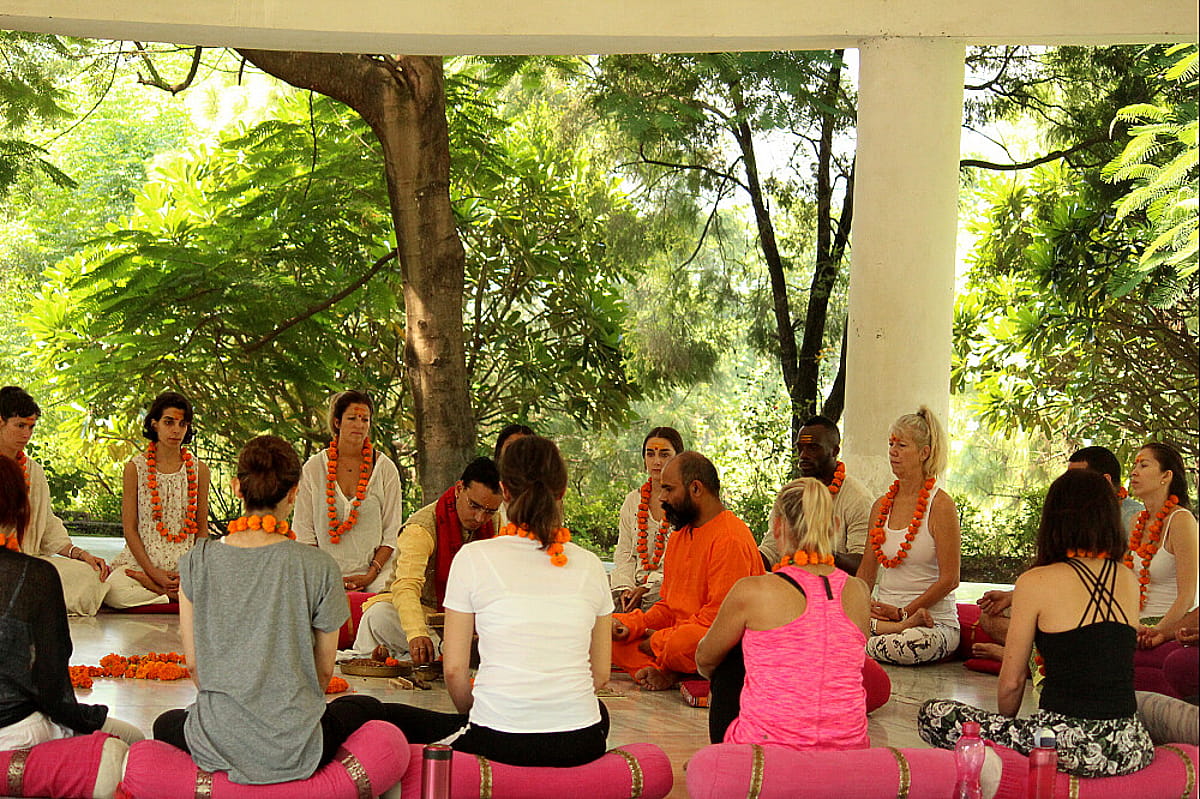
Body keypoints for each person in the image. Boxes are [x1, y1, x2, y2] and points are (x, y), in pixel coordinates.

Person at [152, 436, 386, 784]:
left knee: (165, 724)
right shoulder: (319, 566)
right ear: (293, 493)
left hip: (217, 741)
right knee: (367, 710)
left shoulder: (196, 561)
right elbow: (323, 674)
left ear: (236, 487)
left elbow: (194, 665)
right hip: (296, 747)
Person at [375, 435, 613, 767]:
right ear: (563, 491)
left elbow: (455, 671)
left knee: (376, 715)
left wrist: (481, 715)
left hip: (499, 739)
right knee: (598, 713)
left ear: (505, 491)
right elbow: (600, 676)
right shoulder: (590, 564)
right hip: (581, 740)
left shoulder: (475, 558)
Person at [918, 469, 1154, 778]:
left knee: (933, 714)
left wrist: (1006, 730)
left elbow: (1012, 682)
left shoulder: (1035, 582)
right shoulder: (1126, 578)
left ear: (1055, 519)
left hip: (1067, 745)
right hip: (1130, 745)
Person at [697, 477, 872, 750]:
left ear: (777, 527)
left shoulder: (752, 591)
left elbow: (704, 659)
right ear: (836, 528)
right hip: (849, 752)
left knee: (729, 658)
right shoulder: (859, 592)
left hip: (764, 756)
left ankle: (724, 759)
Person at [0, 455, 144, 749]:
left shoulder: (34, 470)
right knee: (133, 739)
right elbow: (52, 684)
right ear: (18, 507)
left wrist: (79, 554)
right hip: (15, 729)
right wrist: (88, 717)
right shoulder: (35, 575)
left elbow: (52, 534)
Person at [612, 451, 765, 691]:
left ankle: (672, 668)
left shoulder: (729, 538)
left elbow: (719, 622)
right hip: (677, 635)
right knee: (608, 630)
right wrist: (635, 625)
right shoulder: (680, 535)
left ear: (695, 489)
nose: (661, 497)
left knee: (682, 643)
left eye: (669, 489)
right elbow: (668, 605)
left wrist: (658, 640)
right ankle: (671, 670)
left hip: (717, 642)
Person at [974, 445, 1136, 659]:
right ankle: (1030, 656)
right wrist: (1016, 596)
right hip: (1066, 597)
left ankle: (1020, 657)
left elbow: (1104, 580)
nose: (1069, 485)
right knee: (989, 617)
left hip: (1101, 607)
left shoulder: (1133, 519)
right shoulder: (1078, 516)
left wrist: (1028, 595)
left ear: (1105, 481)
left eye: (1076, 477)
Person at [354, 457, 502, 664]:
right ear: (459, 489)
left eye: (489, 511)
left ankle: (446, 651)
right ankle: (444, 651)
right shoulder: (421, 529)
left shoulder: (495, 521)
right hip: (418, 613)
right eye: (474, 506)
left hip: (463, 617)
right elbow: (406, 587)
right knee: (378, 615)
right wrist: (416, 633)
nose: (480, 518)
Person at [856, 406, 961, 665]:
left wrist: (904, 613)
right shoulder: (881, 506)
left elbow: (950, 579)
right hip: (881, 621)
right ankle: (870, 637)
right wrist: (855, 607)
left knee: (912, 643)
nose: (892, 451)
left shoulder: (941, 505)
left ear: (924, 453)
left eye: (902, 445)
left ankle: (860, 645)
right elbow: (866, 574)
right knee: (829, 624)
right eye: (891, 443)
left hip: (930, 625)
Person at [0, 386, 110, 616]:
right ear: (1, 422)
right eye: (20, 425)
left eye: (31, 427)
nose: (26, 434)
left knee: (86, 576)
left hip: (25, 561)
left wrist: (81, 554)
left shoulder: (33, 471)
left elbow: (48, 524)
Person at [104, 392, 212, 609]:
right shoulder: (136, 468)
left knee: (222, 587)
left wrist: (191, 569)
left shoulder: (199, 469)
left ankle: (164, 593)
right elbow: (130, 528)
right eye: (168, 422)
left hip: (185, 566)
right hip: (143, 564)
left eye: (182, 424)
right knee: (114, 591)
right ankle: (169, 595)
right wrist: (153, 574)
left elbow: (201, 528)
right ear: (154, 424)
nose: (176, 430)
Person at [292, 391, 402, 592]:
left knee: (386, 607)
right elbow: (304, 534)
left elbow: (392, 533)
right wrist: (329, 579)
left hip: (377, 575)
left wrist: (370, 575)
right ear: (337, 422)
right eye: (352, 418)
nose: (359, 425)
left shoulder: (385, 469)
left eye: (365, 419)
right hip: (322, 576)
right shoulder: (313, 469)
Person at [759, 416, 873, 575]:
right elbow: (771, 550)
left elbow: (861, 562)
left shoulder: (857, 498)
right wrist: (746, 556)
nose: (803, 455)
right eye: (800, 447)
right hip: (790, 590)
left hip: (838, 593)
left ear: (835, 451)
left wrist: (816, 554)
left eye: (813, 448)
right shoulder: (792, 494)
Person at [1127, 442, 1198, 696]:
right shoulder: (1137, 521)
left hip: (1166, 627)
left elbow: (1187, 595)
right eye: (1134, 465)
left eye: (1144, 465)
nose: (1134, 471)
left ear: (1166, 476)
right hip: (1135, 626)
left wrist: (1160, 631)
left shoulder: (1181, 521)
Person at [610, 426, 685, 612]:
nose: (657, 461)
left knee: (657, 600)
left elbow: (682, 562)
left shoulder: (685, 502)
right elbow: (624, 553)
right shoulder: (633, 501)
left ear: (678, 459)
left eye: (664, 454)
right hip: (632, 584)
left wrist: (647, 587)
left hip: (667, 585)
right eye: (650, 454)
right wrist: (625, 588)